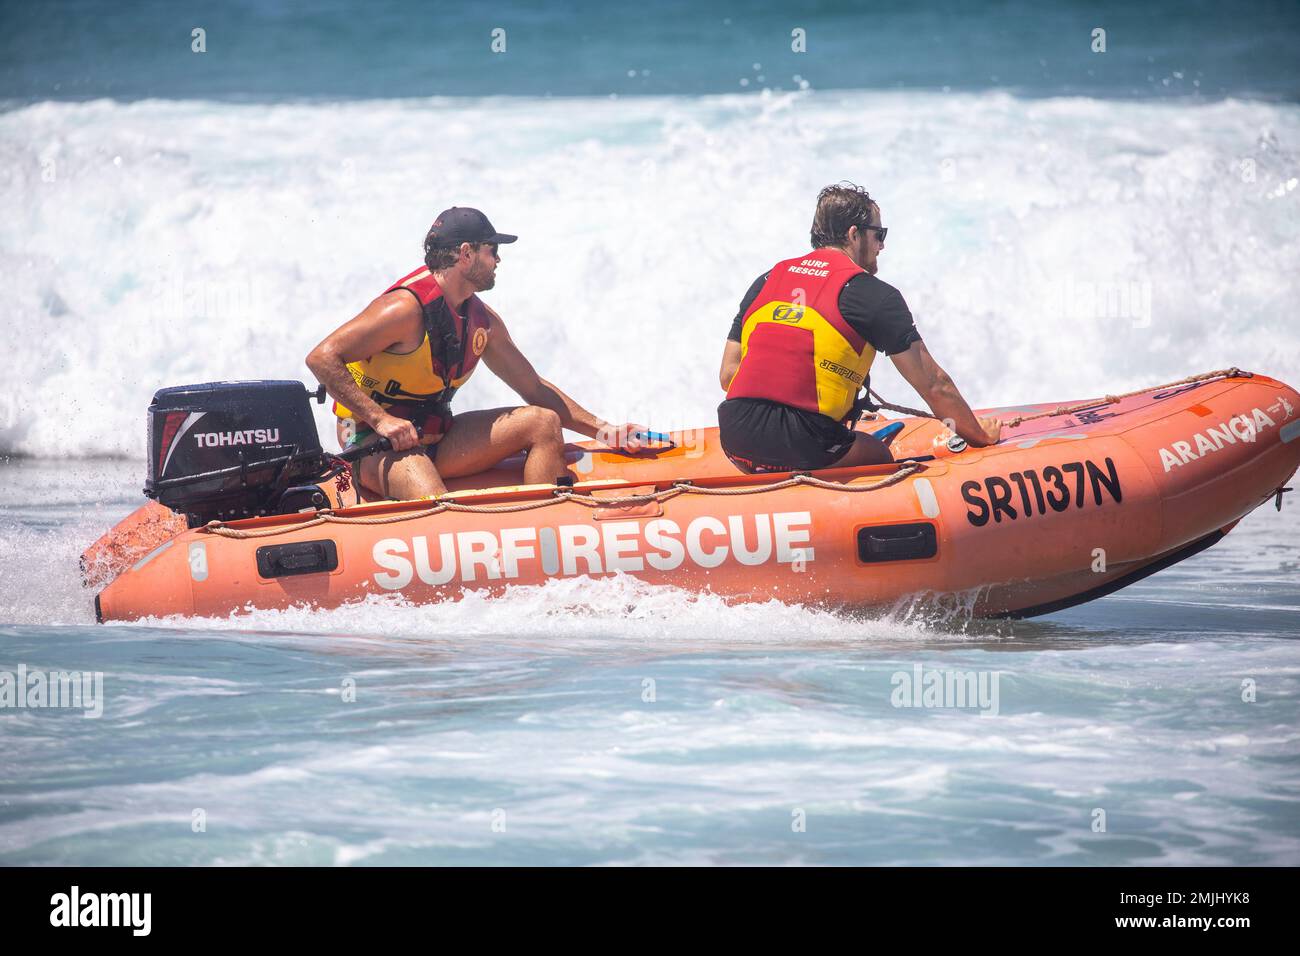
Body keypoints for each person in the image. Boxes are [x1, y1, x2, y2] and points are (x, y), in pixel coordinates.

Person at [307, 207, 646, 499]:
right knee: (435, 500)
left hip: (439, 437)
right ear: (466, 253)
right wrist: (381, 420)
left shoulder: (482, 322)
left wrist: (606, 431)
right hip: (372, 443)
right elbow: (322, 357)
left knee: (543, 422)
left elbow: (534, 389)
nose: (498, 259)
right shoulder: (403, 310)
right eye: (492, 250)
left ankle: (546, 536)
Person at [717, 183, 1001, 472]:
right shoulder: (874, 295)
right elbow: (934, 385)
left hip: (735, 439)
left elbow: (729, 376)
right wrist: (979, 434)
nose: (882, 245)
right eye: (879, 234)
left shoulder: (767, 279)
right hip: (805, 443)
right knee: (878, 455)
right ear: (854, 234)